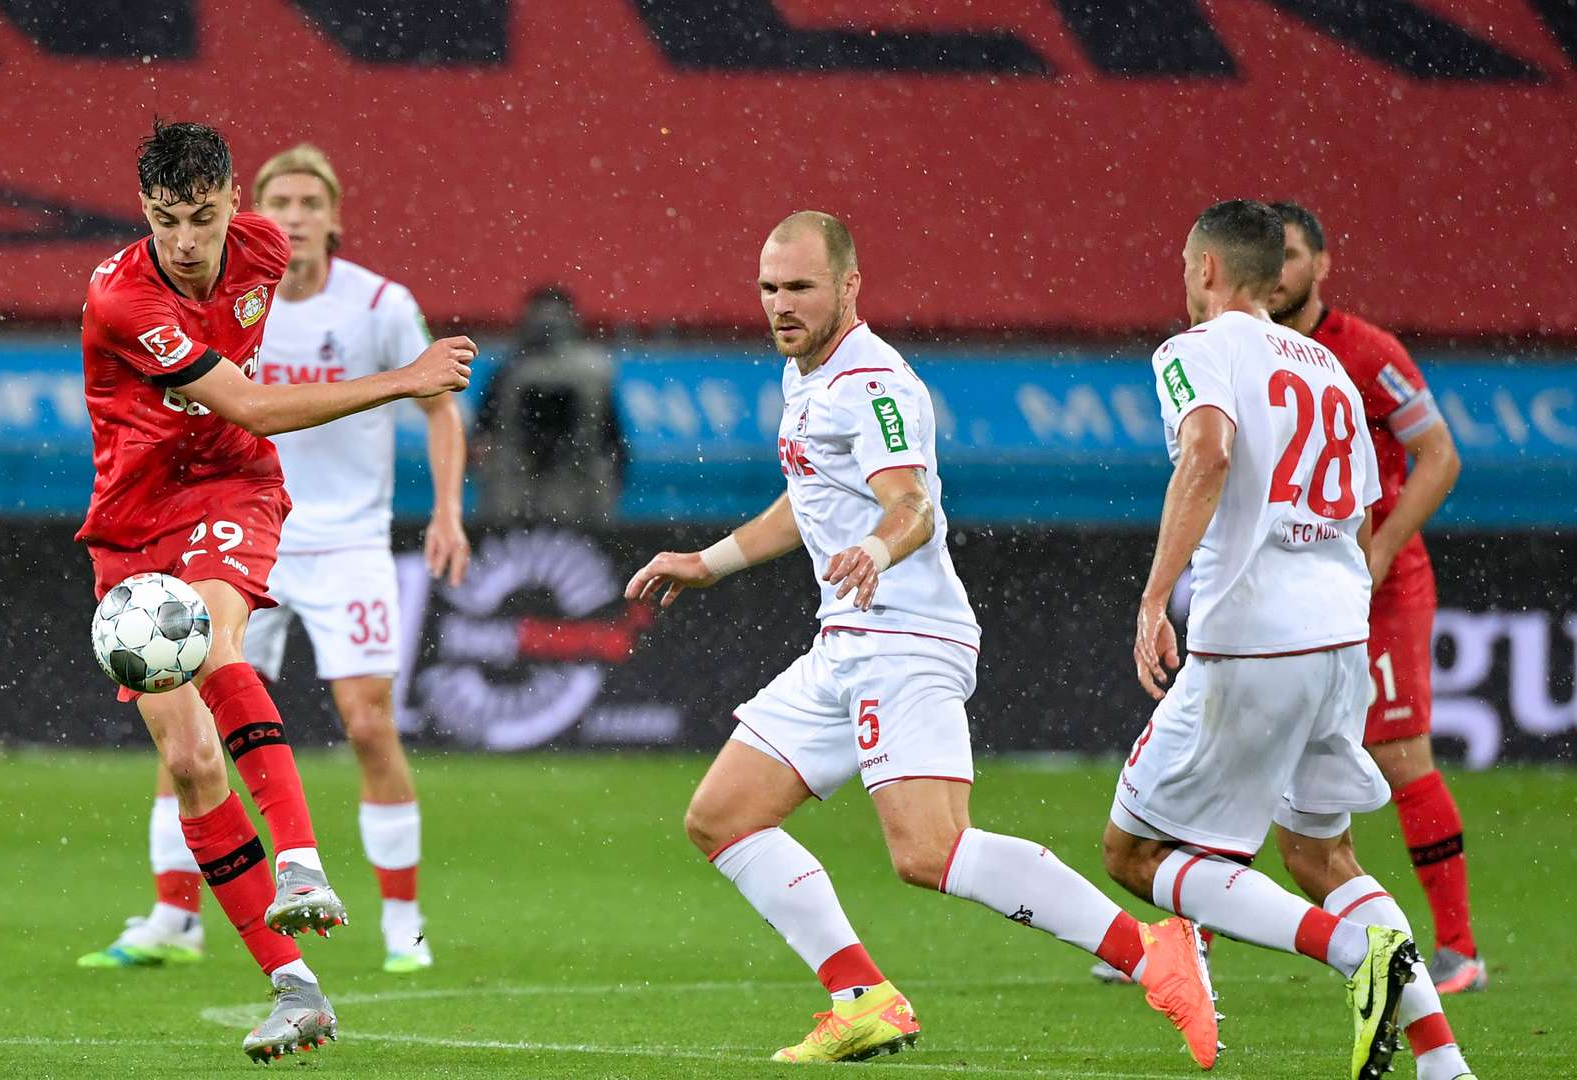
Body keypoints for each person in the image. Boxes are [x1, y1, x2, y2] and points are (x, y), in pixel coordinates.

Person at [624, 211, 1219, 1067]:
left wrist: (875, 544)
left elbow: (911, 503)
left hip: (904, 637)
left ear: (850, 286)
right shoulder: (808, 377)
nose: (781, 305)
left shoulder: (873, 385)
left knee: (930, 850)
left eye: (801, 287)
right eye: (769, 288)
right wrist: (709, 562)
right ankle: (861, 998)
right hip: (847, 640)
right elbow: (812, 497)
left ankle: (1149, 952)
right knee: (722, 818)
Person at [75, 120, 473, 1061]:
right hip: (132, 515)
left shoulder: (263, 245)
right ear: (145, 211)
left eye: (201, 217)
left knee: (218, 650)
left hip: (231, 487)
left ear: (231, 208)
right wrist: (403, 380)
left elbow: (248, 428)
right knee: (188, 762)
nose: (183, 240)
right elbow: (251, 398)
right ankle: (296, 989)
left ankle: (301, 865)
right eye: (166, 219)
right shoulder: (122, 298)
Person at [1100, 199, 1474, 1080]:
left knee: (1137, 853)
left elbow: (1208, 452)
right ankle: (1443, 1063)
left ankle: (1356, 957)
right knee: (1319, 852)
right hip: (1340, 635)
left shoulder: (1196, 350)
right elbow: (1352, 505)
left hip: (1253, 638)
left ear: (1204, 271)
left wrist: (1158, 595)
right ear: (1277, 275)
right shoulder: (1328, 365)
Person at [1269, 201, 1482, 992]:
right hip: (1291, 585)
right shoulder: (1252, 350)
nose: (1280, 268)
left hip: (1378, 589)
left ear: (1322, 264)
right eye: (1270, 254)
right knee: (1244, 748)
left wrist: (1385, 547)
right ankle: (1198, 935)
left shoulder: (1367, 353)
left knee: (1399, 758)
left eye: (1292, 254)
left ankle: (1458, 951)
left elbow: (1439, 455)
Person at [472, 285, 626, 524]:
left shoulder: (510, 373)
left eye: (553, 319)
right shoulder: (509, 374)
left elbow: (612, 442)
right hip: (524, 490)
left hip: (570, 489)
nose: (547, 327)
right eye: (542, 319)